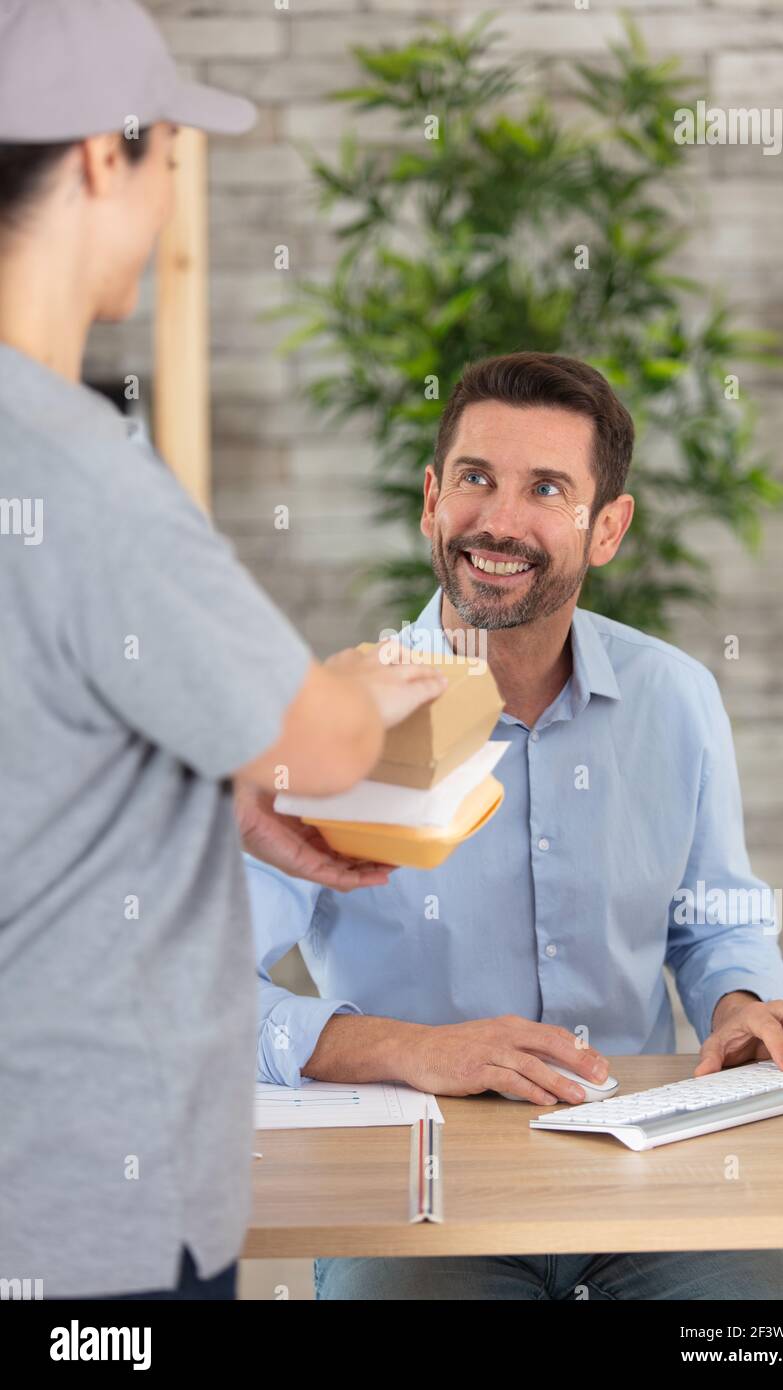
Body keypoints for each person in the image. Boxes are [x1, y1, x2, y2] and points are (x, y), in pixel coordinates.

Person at [0, 0, 443, 1301]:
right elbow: (328, 738)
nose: (171, 199)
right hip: (83, 1195)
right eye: (171, 161)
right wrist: (361, 686)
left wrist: (217, 804)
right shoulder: (82, 471)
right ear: (100, 154)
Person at [248, 352, 783, 1301]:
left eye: (546, 489)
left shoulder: (677, 699)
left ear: (606, 527)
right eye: (476, 479)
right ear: (430, 500)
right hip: (422, 1200)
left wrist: (740, 1007)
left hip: (651, 1183)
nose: (499, 521)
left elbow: (715, 923)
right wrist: (409, 1049)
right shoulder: (333, 721)